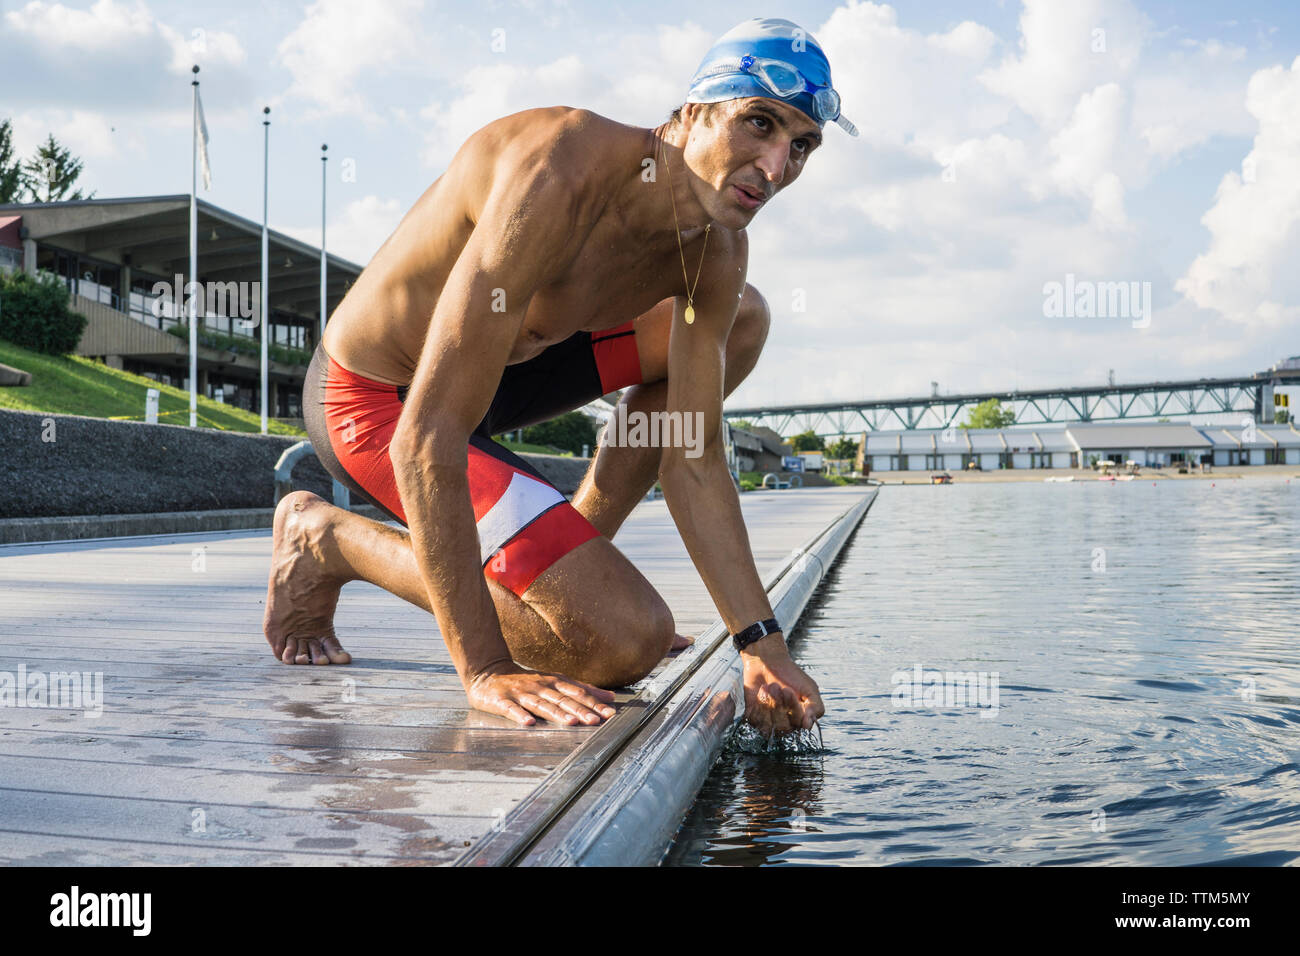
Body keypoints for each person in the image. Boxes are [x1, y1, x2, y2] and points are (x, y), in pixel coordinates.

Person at [263, 17, 856, 735]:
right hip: (381, 399)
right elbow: (426, 439)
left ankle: (572, 557)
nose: (774, 167)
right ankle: (324, 537)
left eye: (801, 146)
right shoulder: (560, 170)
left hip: (513, 374)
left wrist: (761, 644)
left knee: (745, 319)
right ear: (695, 112)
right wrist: (485, 668)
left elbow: (693, 459)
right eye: (757, 124)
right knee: (619, 640)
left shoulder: (719, 248)